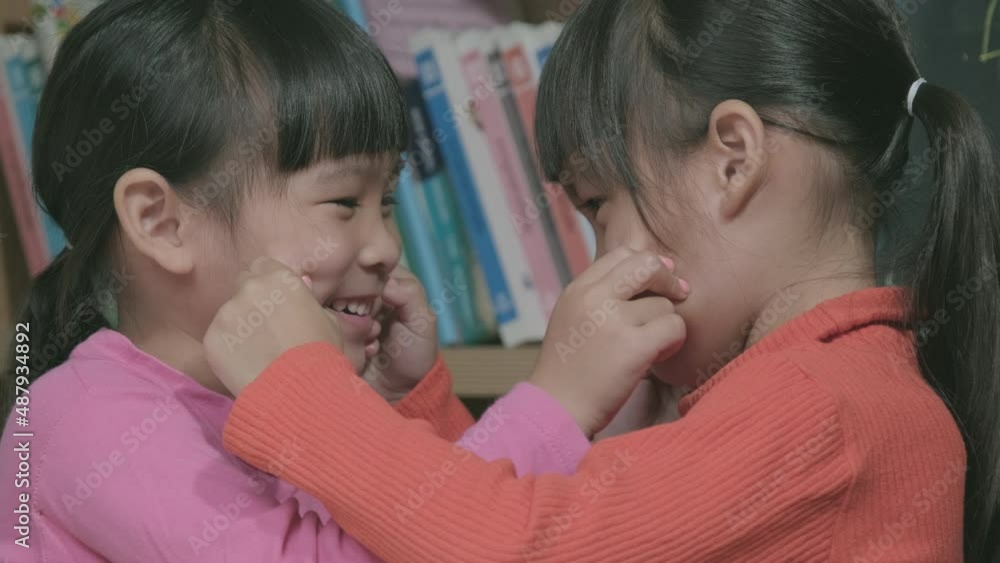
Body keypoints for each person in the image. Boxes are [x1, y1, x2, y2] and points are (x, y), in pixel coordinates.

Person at [206, 0, 1000, 561]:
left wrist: (300, 387)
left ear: (734, 158)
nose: (599, 259)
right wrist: (426, 406)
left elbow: (512, 544)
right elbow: (544, 526)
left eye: (599, 204)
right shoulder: (848, 385)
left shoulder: (815, 408)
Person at [0, 1, 602, 561]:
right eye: (343, 201)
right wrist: (555, 406)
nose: (387, 247)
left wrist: (404, 401)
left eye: (386, 201)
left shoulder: (282, 402)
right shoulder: (90, 419)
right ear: (162, 222)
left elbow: (447, 522)